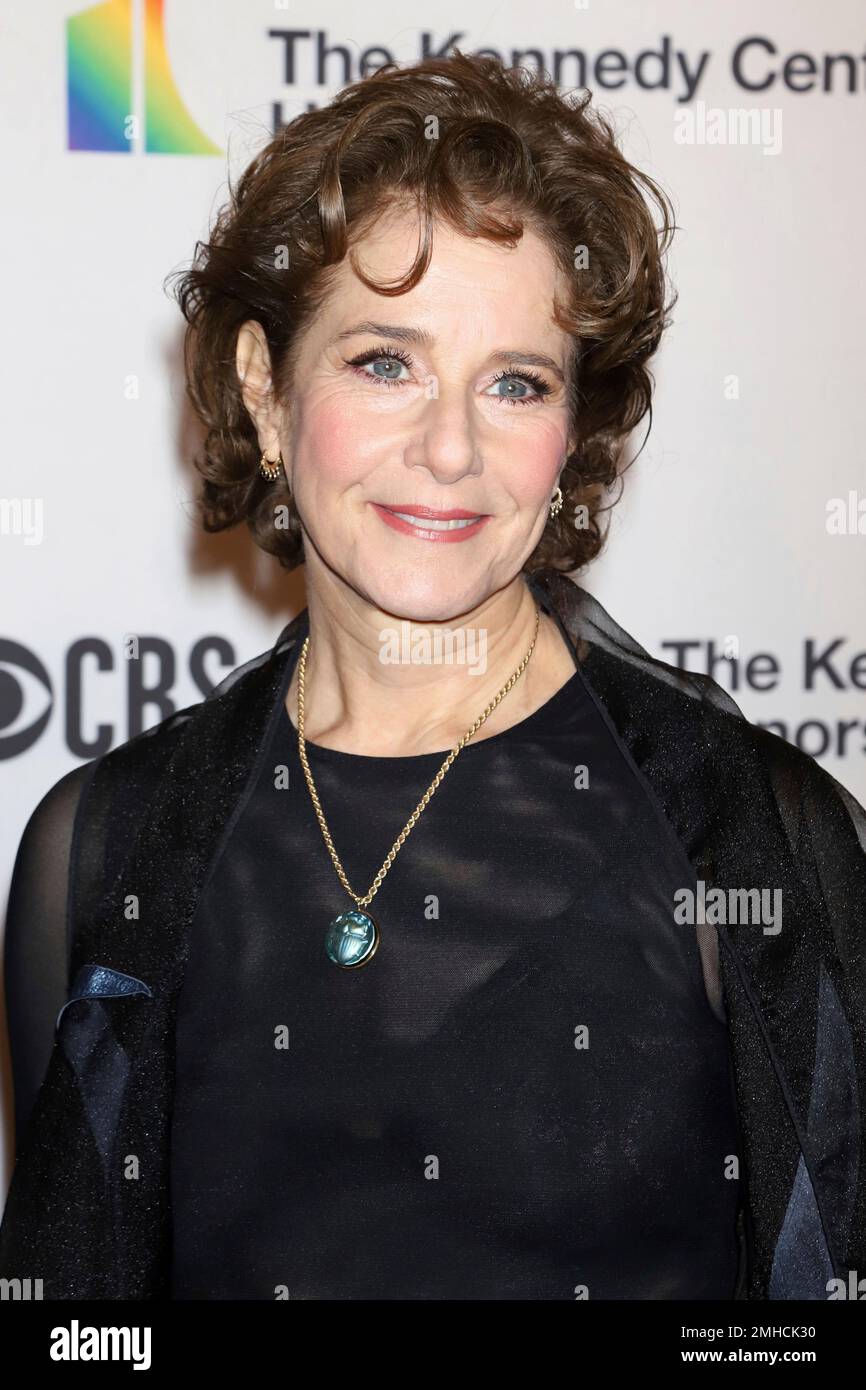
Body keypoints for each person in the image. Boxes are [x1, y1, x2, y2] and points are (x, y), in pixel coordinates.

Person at [1, 50, 865, 1302]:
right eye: (385, 363)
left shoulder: (756, 845)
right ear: (265, 386)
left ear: (572, 435)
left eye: (514, 383)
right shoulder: (104, 849)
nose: (450, 447)